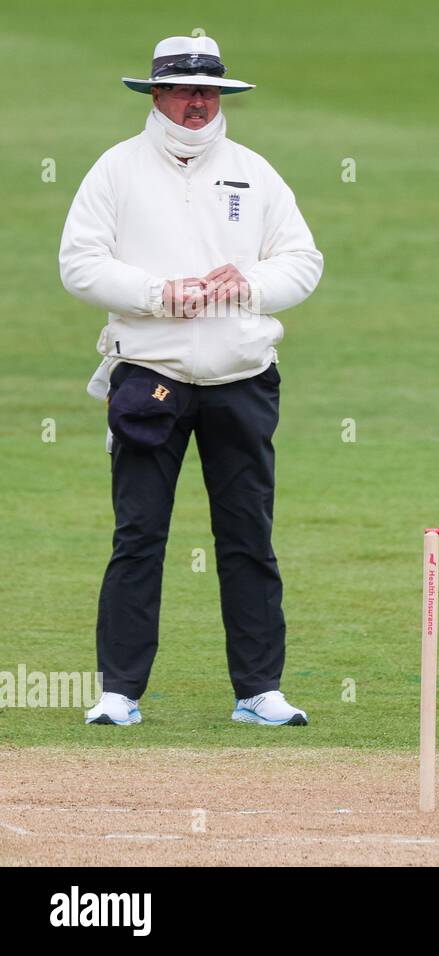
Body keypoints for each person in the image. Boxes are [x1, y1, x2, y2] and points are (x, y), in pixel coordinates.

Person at [59, 36, 324, 727]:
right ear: (157, 95)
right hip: (150, 377)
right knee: (139, 534)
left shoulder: (254, 173)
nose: (198, 103)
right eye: (184, 90)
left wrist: (251, 283)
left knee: (247, 536)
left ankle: (258, 691)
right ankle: (120, 692)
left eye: (209, 91)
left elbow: (303, 263)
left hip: (242, 377)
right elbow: (79, 264)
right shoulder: (117, 171)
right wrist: (157, 292)